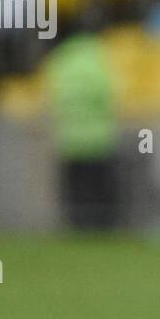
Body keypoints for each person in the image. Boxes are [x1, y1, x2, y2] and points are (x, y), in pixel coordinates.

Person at [45, 32, 120, 230]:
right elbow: (108, 95)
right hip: (98, 138)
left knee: (74, 190)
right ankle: (102, 228)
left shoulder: (60, 60)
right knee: (99, 190)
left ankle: (76, 228)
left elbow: (52, 98)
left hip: (69, 138)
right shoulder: (98, 58)